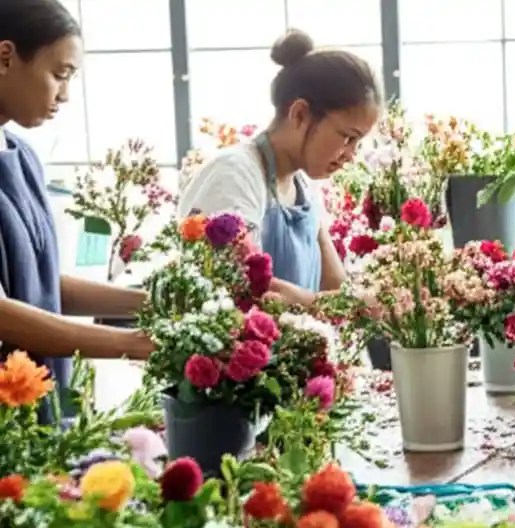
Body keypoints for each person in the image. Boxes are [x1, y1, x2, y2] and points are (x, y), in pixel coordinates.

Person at [0, 0, 154, 398]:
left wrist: (155, 306)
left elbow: (43, 286)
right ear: (5, 57)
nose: (65, 95)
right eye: (59, 74)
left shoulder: (23, 156)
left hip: (40, 394)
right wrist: (131, 344)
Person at [178, 29, 380, 307]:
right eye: (348, 137)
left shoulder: (304, 186)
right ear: (299, 114)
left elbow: (336, 289)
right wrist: (349, 305)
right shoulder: (235, 175)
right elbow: (242, 288)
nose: (351, 155)